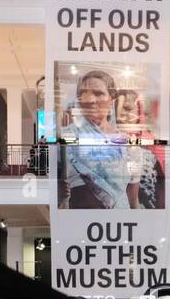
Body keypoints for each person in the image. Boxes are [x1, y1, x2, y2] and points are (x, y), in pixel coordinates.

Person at [59, 69, 139, 209]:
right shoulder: (66, 137)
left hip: (120, 223)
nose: (90, 100)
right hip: (80, 223)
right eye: (84, 93)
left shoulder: (130, 146)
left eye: (98, 93)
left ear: (112, 99)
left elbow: (133, 201)